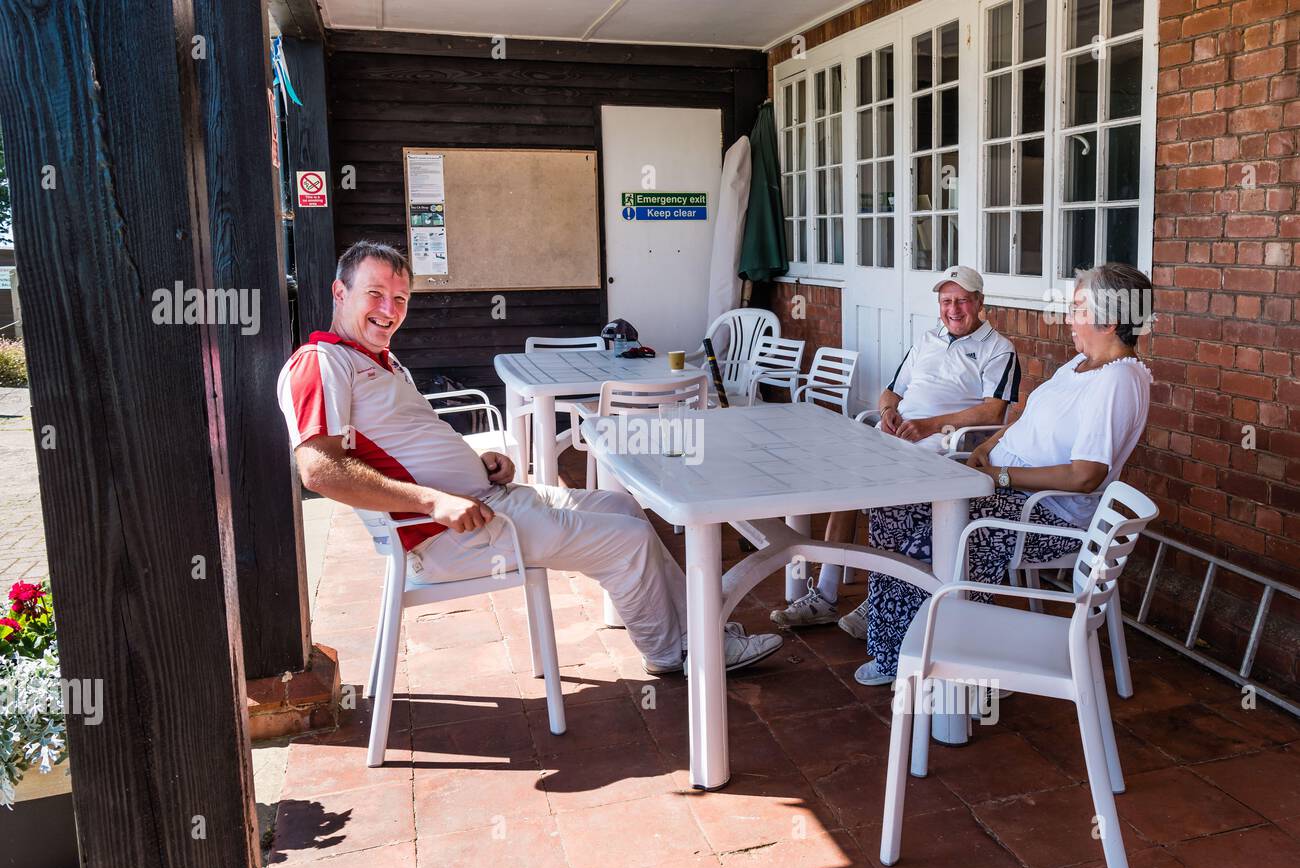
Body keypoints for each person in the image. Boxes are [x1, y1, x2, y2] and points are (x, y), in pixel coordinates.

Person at [277, 240, 782, 676]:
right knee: (626, 543)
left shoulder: (381, 361)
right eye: (375, 294)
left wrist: (481, 462)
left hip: (486, 501)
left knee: (623, 507)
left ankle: (698, 631)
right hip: (448, 534)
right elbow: (320, 470)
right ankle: (677, 652)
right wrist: (434, 502)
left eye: (400, 298)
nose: (389, 309)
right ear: (339, 292)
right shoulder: (322, 362)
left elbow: (404, 444)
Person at [850, 261, 1154, 685]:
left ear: (1110, 321)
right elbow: (1024, 419)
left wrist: (1001, 476)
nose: (1069, 318)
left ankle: (952, 658)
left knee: (937, 539)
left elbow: (1084, 476)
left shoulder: (1117, 381)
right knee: (893, 508)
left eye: (1078, 309)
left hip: (1046, 514)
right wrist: (987, 449)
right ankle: (893, 637)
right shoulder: (1079, 366)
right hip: (1005, 488)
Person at [771, 265, 1019, 635]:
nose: (953, 309)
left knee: (886, 496)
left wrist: (929, 426)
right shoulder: (928, 339)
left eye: (962, 301)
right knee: (843, 485)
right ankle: (824, 593)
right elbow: (891, 392)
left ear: (980, 302)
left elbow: (993, 411)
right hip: (897, 434)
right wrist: (888, 412)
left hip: (944, 445)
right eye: (946, 301)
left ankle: (881, 599)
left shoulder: (998, 349)